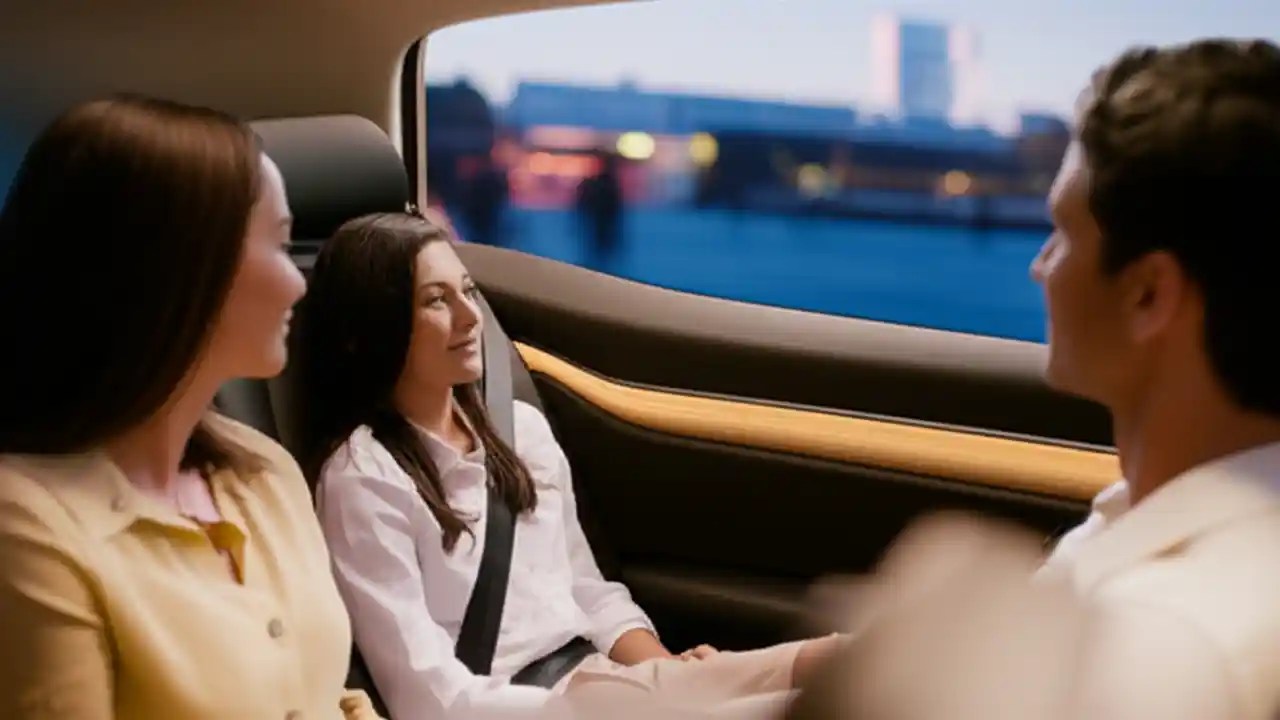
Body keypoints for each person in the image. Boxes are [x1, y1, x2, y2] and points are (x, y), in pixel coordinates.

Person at [789, 37, 1280, 720]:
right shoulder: (1155, 514)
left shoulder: (1169, 660)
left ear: (1148, 296)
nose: (1039, 266)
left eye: (1061, 232)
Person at [293, 211, 842, 720]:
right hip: (532, 708)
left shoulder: (519, 431)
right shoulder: (364, 478)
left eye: (469, 291)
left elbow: (585, 590)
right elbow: (428, 695)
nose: (470, 318)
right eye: (436, 301)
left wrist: (663, 668)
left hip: (604, 681)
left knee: (850, 665)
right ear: (375, 328)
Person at [0, 94, 379, 719]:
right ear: (181, 267)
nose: (300, 282)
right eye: (281, 246)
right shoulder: (30, 534)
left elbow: (331, 698)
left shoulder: (264, 472)